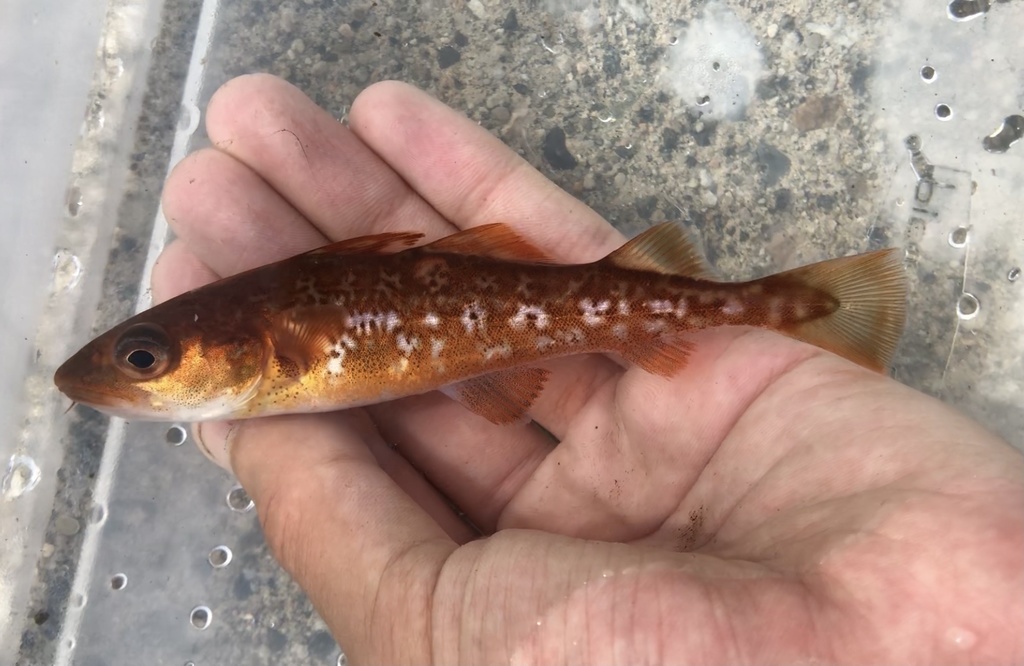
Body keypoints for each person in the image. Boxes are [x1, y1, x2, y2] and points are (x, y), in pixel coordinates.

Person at [153, 74, 1024, 664]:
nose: (146, 375)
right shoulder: (270, 344)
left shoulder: (275, 360)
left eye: (148, 360)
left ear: (240, 344)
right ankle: (796, 303)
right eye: (146, 358)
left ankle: (808, 304)